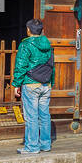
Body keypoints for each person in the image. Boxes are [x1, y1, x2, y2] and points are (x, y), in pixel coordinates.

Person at [12, 19, 55, 154]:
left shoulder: (26, 44)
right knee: (44, 115)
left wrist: (16, 84)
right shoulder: (48, 45)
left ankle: (32, 147)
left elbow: (21, 65)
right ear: (42, 30)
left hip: (31, 83)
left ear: (28, 30)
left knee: (31, 116)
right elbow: (52, 65)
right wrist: (50, 83)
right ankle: (45, 144)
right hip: (45, 84)